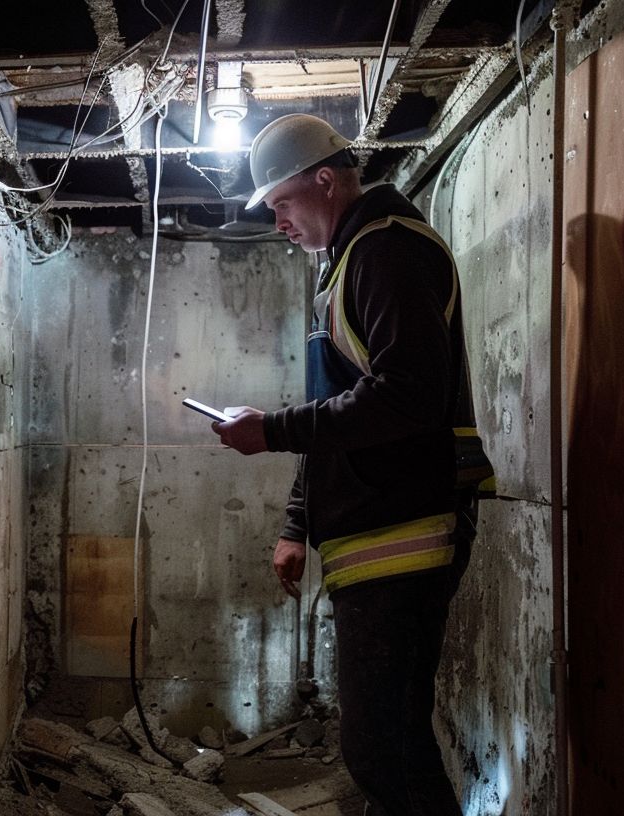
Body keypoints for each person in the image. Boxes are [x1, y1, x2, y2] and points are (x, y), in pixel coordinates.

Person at [210, 113, 493, 815]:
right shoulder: (347, 265)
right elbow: (343, 411)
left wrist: (272, 430)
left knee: (384, 750)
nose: (278, 222)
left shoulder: (385, 253)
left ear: (326, 182)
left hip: (405, 538)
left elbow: (407, 396)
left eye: (282, 204)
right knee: (383, 748)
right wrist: (297, 522)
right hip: (377, 538)